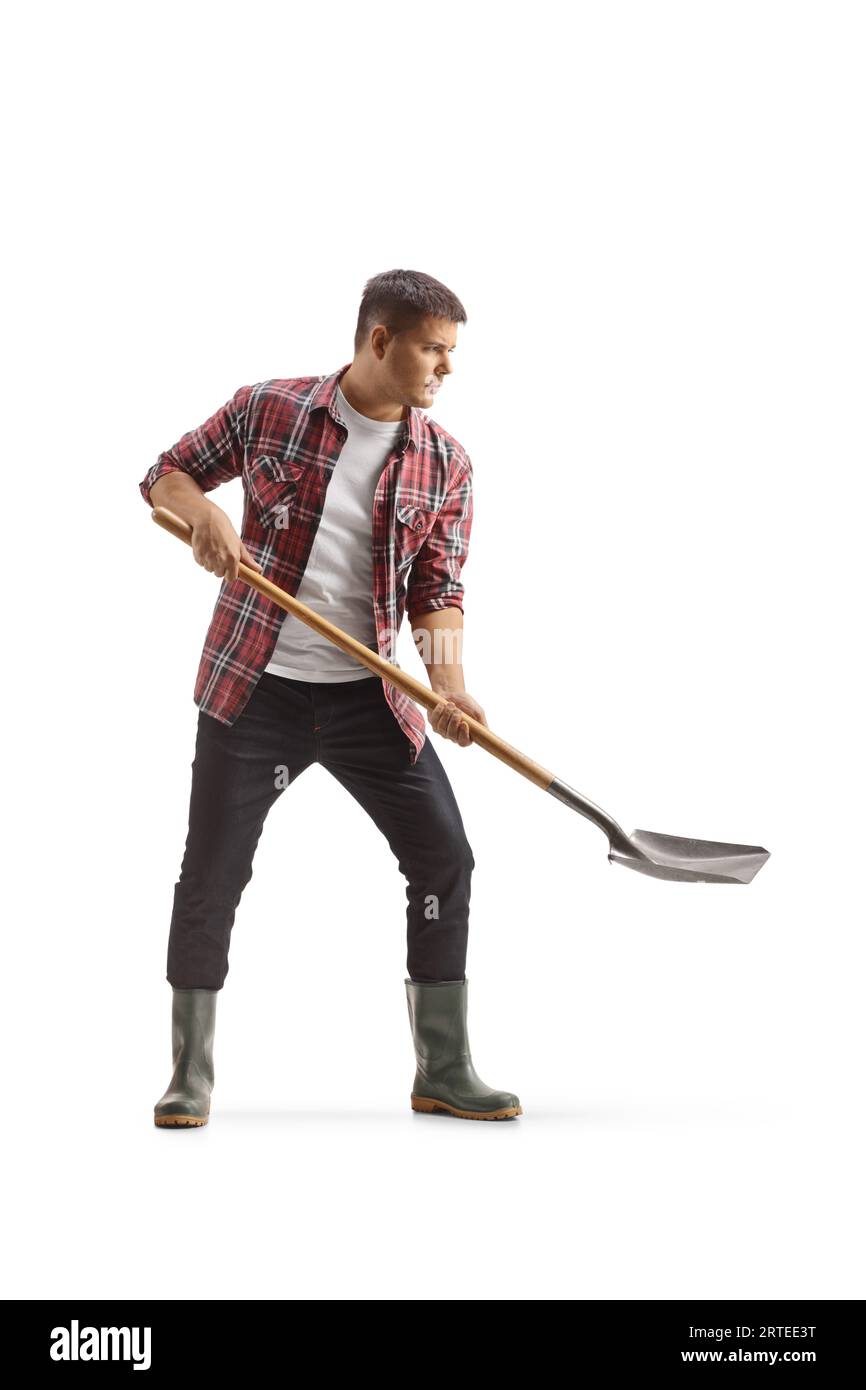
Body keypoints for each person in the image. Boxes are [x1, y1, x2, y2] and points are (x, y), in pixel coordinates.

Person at [142, 269, 521, 1127]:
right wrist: (202, 511)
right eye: (434, 348)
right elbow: (167, 476)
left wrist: (450, 689)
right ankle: (189, 1074)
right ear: (379, 340)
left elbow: (440, 588)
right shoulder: (269, 408)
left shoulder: (445, 463)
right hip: (254, 689)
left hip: (369, 699)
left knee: (444, 858)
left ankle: (445, 1066)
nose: (446, 369)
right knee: (212, 873)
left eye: (452, 353)